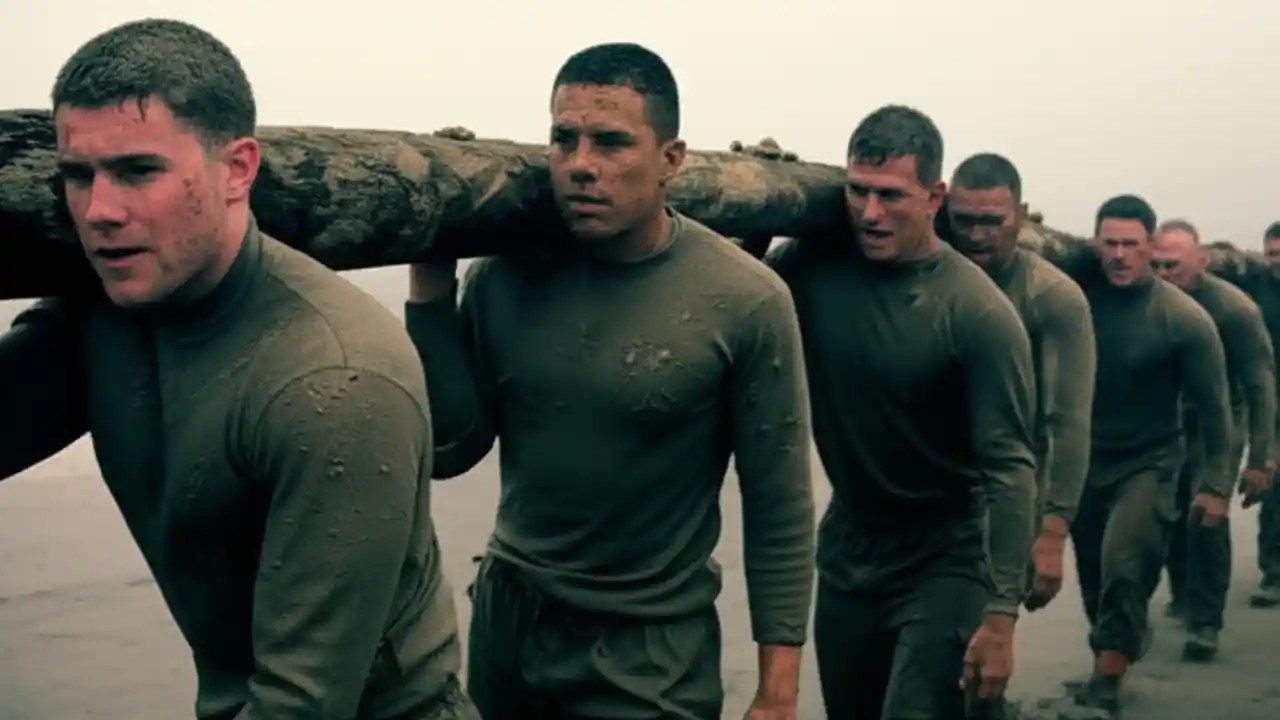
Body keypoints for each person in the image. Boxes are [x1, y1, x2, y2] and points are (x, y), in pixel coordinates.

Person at [0, 19, 476, 719]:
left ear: (238, 170)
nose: (99, 211)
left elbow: (300, 704)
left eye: (139, 170)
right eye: (78, 176)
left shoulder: (337, 379)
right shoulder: (105, 309)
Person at [404, 42, 815, 720]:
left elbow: (780, 508)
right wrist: (429, 281)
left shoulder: (746, 300)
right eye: (563, 140)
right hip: (510, 624)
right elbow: (453, 451)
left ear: (671, 160)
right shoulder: (504, 278)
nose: (581, 166)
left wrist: (778, 689)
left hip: (649, 653)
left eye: (612, 143)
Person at [765, 105, 1038, 719]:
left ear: (935, 196)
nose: (869, 213)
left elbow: (1011, 469)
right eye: (857, 192)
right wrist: (758, 208)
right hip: (849, 549)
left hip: (946, 556)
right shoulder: (812, 265)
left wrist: (1000, 616)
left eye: (891, 196)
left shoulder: (977, 312)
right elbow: (740, 301)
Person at [1059, 195, 1231, 714]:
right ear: (1094, 244)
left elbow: (1216, 409)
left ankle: (1107, 684)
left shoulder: (1183, 319)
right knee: (1094, 573)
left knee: (1124, 563)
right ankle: (1117, 646)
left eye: (1130, 245)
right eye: (1108, 243)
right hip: (1086, 461)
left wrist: (1216, 484)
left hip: (1151, 462)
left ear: (1150, 248)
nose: (1118, 255)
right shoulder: (1074, 295)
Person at [945, 152, 1096, 613]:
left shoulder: (1052, 298)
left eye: (991, 221)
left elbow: (1066, 422)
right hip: (930, 487)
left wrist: (1051, 535)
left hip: (1005, 487)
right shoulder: (929, 268)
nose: (975, 235)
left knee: (977, 623)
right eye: (963, 220)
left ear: (1022, 216)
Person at [1150, 219, 1276, 659]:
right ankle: (1183, 592)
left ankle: (1205, 622)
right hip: (1167, 418)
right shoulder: (1145, 299)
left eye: (1175, 267)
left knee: (1207, 509)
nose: (1165, 275)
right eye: (1158, 265)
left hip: (1222, 418)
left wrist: (1262, 458)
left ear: (1201, 262)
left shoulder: (1234, 310)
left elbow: (1261, 385)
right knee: (1167, 510)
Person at [1233, 220, 1280, 608]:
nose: (1276, 261)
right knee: (1274, 485)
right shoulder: (1256, 288)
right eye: (1272, 254)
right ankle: (1274, 573)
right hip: (1269, 397)